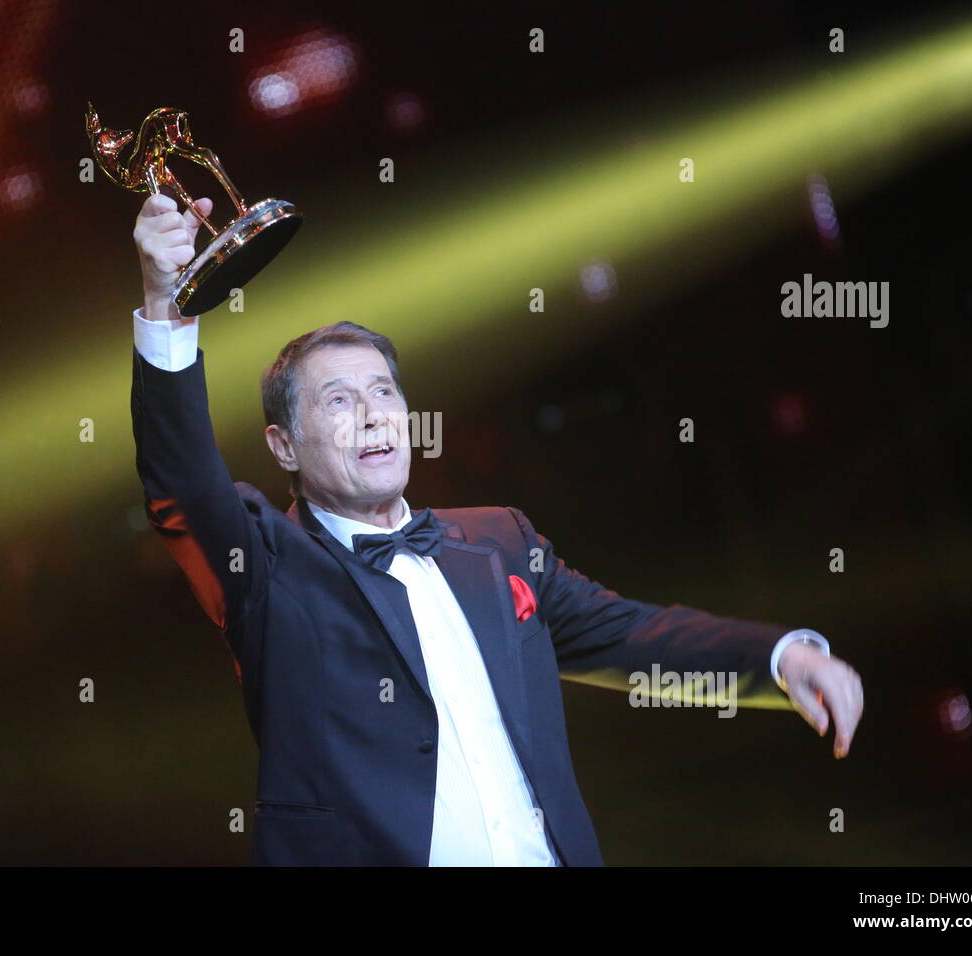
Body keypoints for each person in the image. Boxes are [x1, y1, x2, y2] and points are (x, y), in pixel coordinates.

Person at [128, 191, 865, 866]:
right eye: (339, 400)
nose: (374, 412)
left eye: (384, 391)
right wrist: (168, 306)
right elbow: (183, 482)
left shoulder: (499, 540)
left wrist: (780, 658)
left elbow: (630, 636)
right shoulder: (269, 564)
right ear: (284, 445)